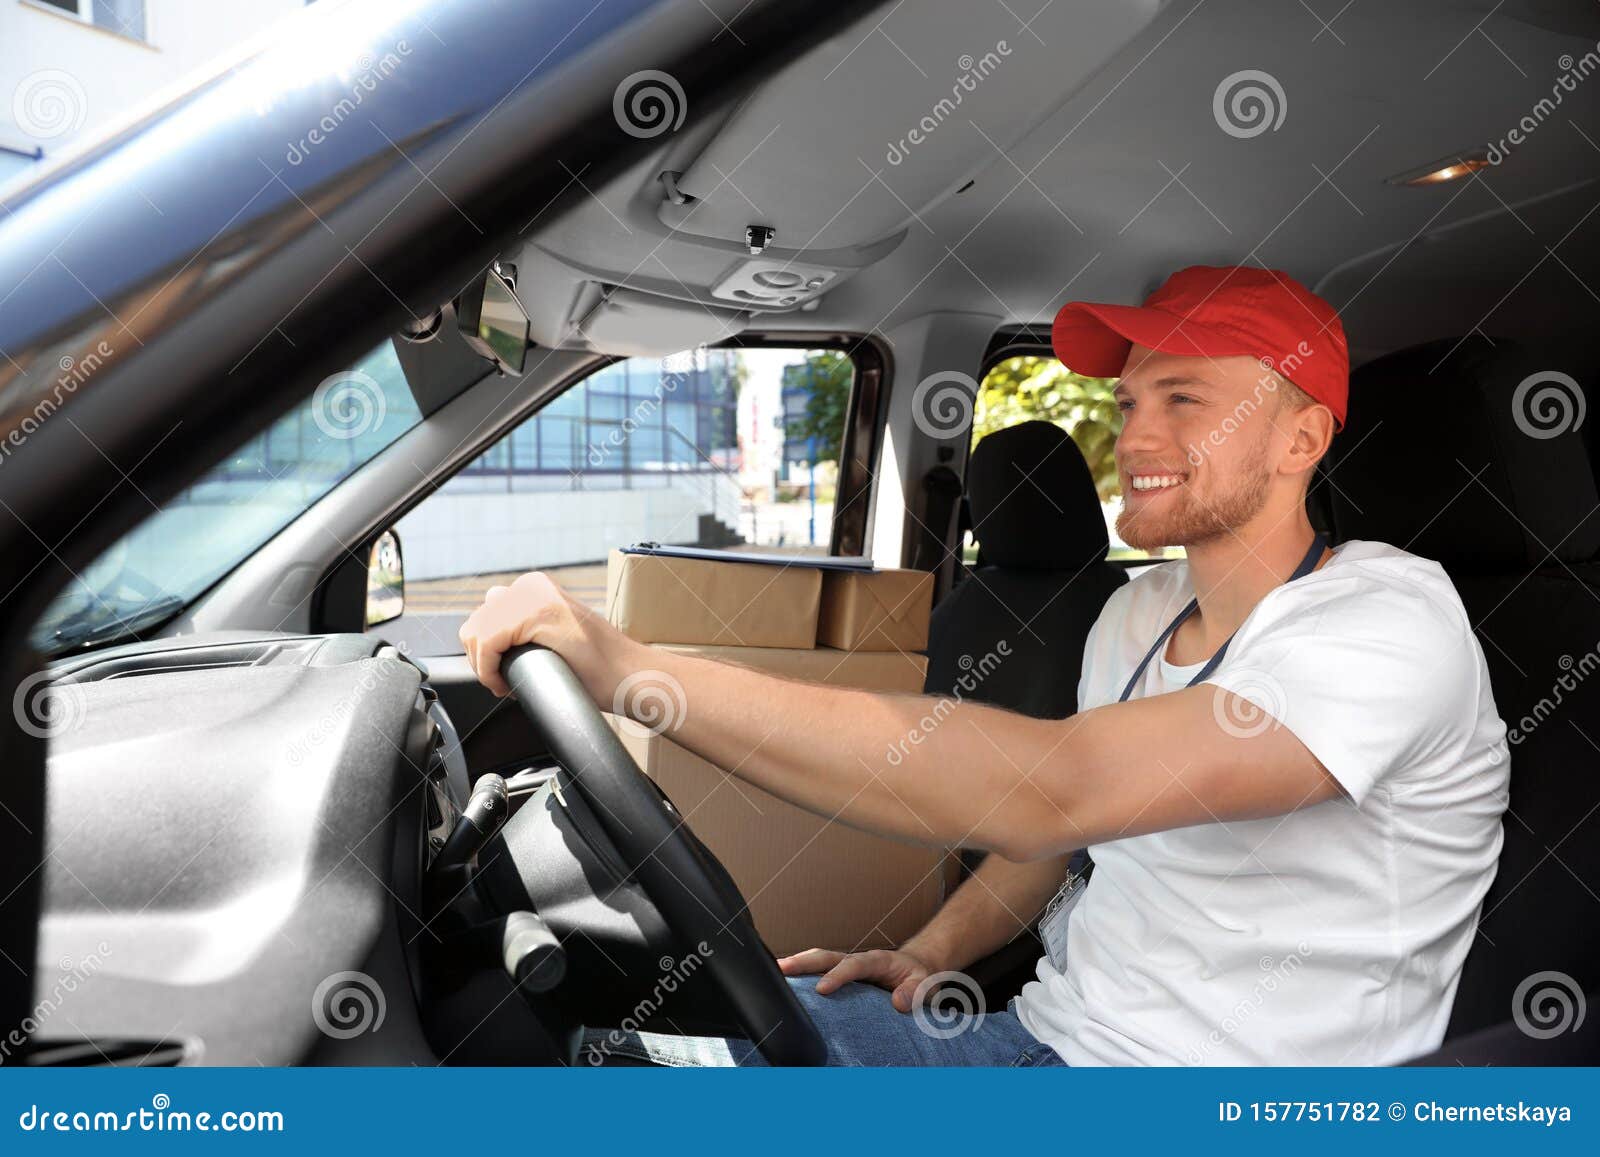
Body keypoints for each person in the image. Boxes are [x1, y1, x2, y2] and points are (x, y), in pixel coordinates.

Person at [458, 265, 1509, 1066]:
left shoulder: (1388, 621)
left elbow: (1057, 791)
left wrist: (635, 668)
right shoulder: (1137, 610)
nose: (1133, 429)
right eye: (1129, 399)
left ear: (1299, 439)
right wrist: (933, 948)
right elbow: (1054, 838)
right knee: (640, 1049)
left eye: (1183, 399)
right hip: (1040, 1044)